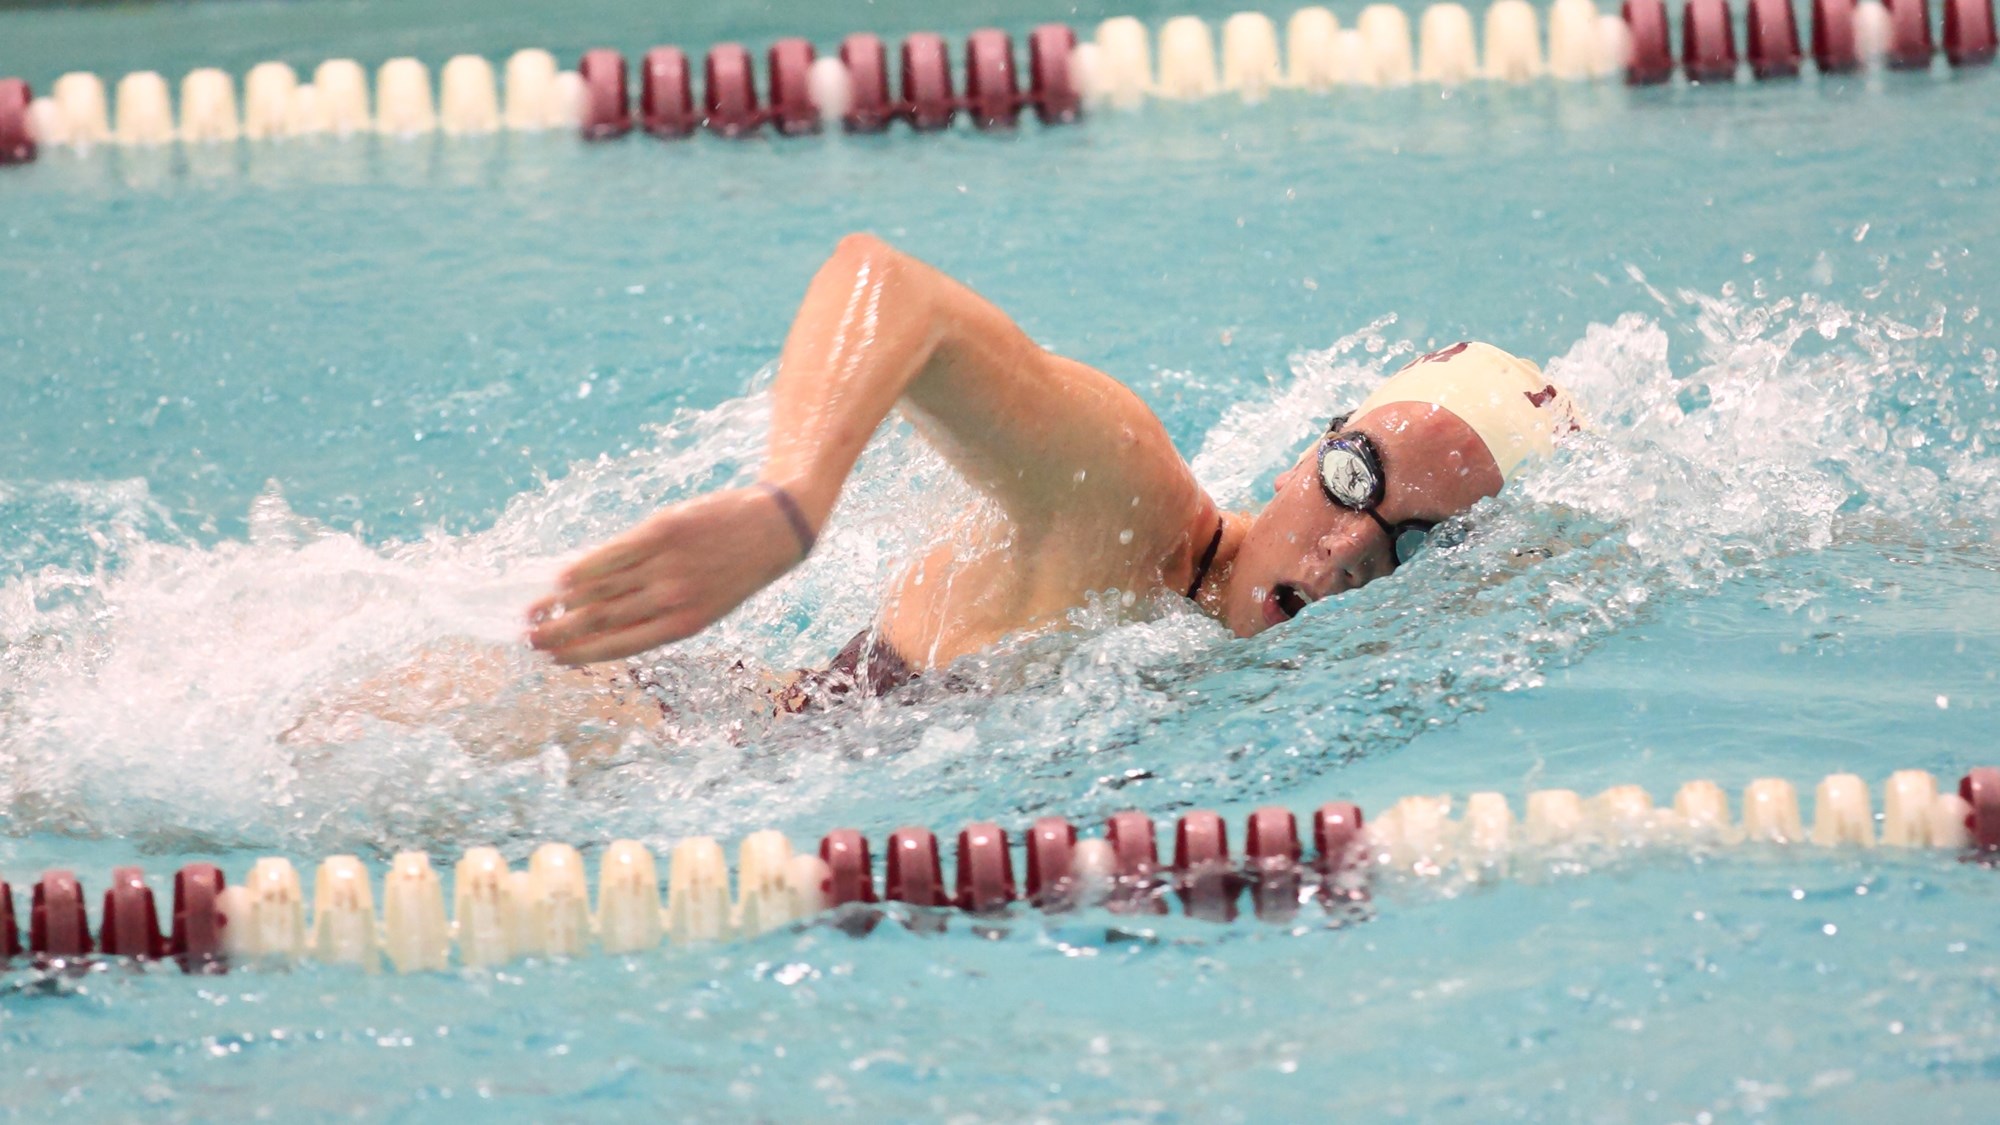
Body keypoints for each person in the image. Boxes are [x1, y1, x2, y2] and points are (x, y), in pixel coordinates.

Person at [525, 235, 1578, 713]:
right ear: (1314, 445)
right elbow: (889, 288)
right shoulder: (1127, 499)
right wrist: (787, 504)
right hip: (603, 716)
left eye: (1418, 541)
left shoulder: (1239, 670)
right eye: (1356, 481)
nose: (1353, 549)